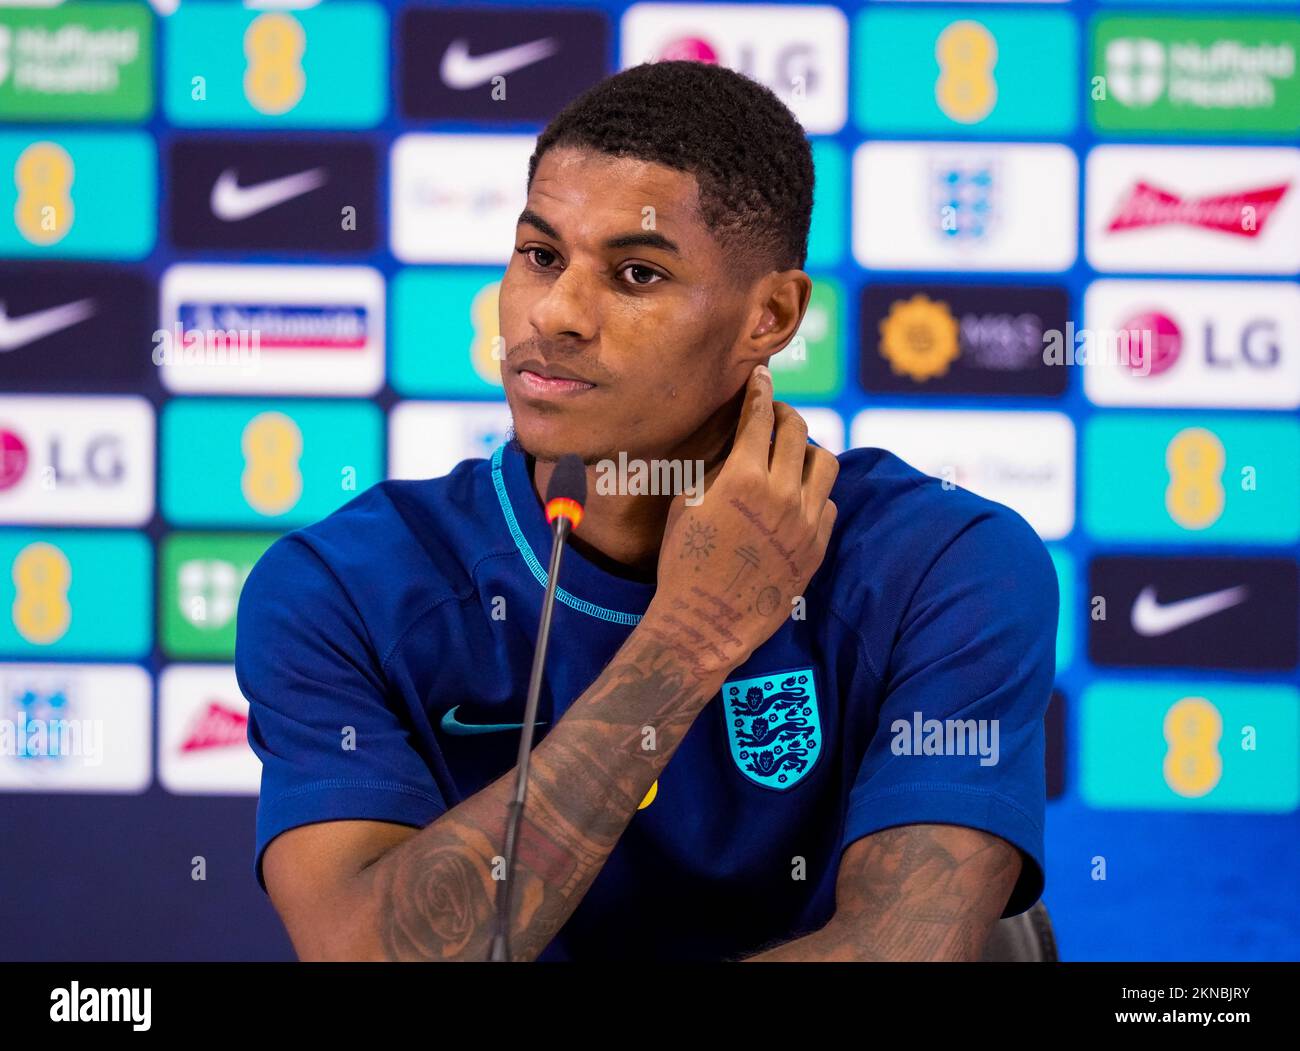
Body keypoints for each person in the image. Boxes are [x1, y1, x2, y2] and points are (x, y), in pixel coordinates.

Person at [235, 60, 1058, 962]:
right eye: (541, 255)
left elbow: (903, 952)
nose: (554, 313)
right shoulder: (342, 589)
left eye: (634, 273)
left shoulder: (949, 564)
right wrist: (692, 634)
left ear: (769, 316)